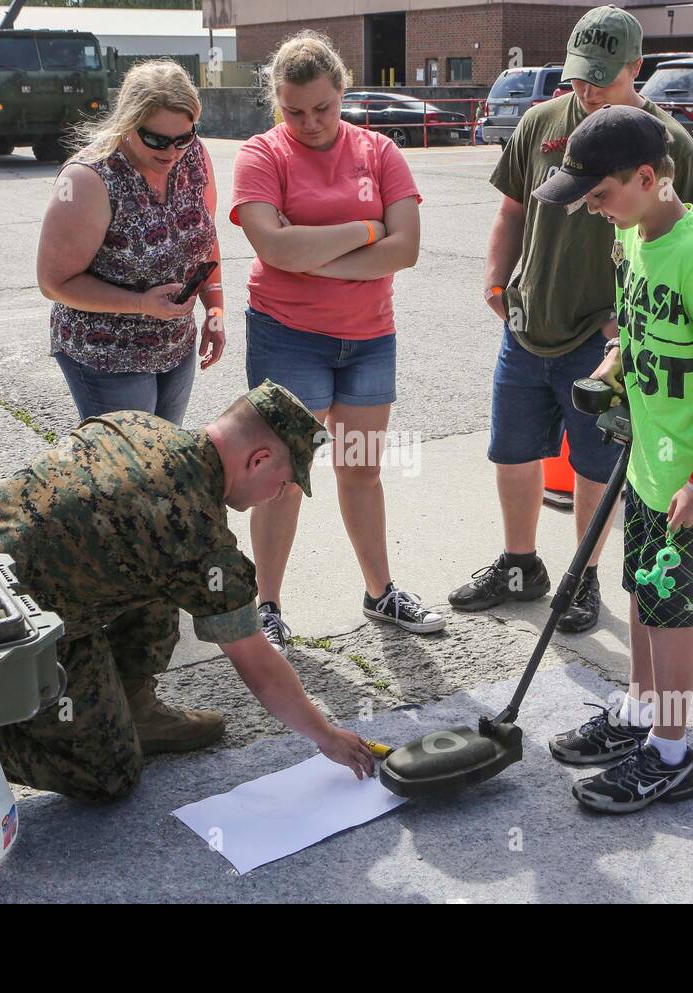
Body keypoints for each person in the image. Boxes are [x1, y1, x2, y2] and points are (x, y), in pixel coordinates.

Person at [0, 382, 377, 806]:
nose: (279, 495)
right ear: (259, 458)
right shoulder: (194, 535)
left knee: (158, 582)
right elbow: (258, 664)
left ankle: (132, 709)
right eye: (284, 481)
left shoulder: (139, 425)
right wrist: (326, 736)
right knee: (107, 775)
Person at [448, 5, 693, 635]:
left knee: (594, 468)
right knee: (511, 455)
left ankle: (582, 577)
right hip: (529, 319)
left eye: (601, 79)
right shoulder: (540, 123)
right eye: (577, 78)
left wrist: (631, 329)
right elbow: (511, 213)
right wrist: (495, 281)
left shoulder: (670, 146)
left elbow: (681, 248)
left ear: (635, 67)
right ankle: (519, 566)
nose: (586, 91)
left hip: (604, 338)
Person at [534, 106, 693, 812]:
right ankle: (639, 710)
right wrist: (617, 361)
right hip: (649, 464)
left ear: (649, 177)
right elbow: (638, 321)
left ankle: (671, 755)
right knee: (642, 596)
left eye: (600, 196)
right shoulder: (633, 235)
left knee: (672, 613)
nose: (594, 211)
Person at [230, 30, 444, 653]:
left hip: (368, 340)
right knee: (283, 477)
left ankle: (380, 593)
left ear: (342, 91)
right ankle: (266, 605)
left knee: (361, 469)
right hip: (288, 337)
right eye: (294, 111)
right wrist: (364, 230)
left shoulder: (379, 151)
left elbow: (404, 250)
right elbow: (271, 245)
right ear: (277, 102)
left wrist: (313, 253)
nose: (310, 122)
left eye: (322, 108)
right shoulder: (262, 154)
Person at [38, 59, 225, 426]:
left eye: (183, 137)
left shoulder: (194, 156)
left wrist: (215, 310)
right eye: (155, 139)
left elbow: (205, 239)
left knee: (164, 460)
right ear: (127, 123)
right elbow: (53, 282)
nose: (171, 152)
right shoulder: (89, 179)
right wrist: (139, 303)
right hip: (106, 353)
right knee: (129, 471)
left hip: (174, 344)